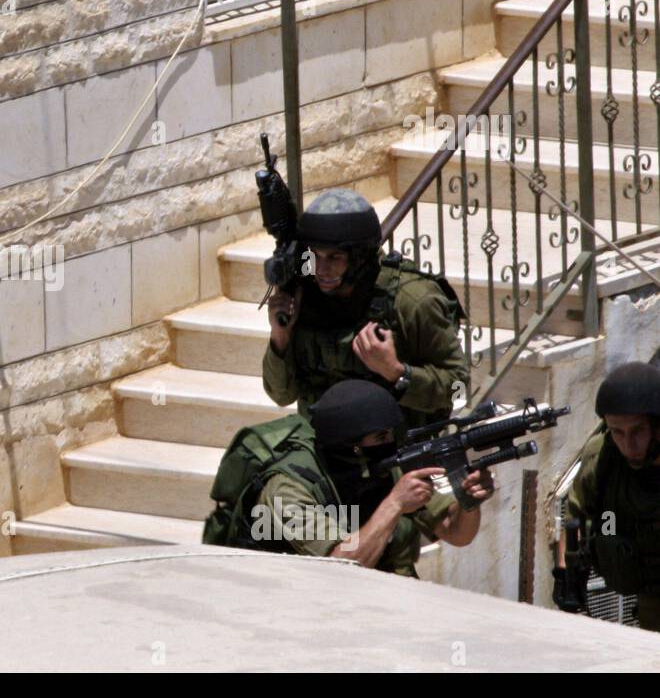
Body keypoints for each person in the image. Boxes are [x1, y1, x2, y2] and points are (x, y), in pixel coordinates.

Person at [203, 380, 494, 577]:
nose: (389, 442)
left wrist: (469, 500)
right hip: (293, 602)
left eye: (391, 434)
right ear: (349, 443)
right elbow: (340, 568)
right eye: (379, 436)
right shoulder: (286, 488)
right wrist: (394, 505)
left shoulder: (377, 466)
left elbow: (455, 532)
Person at [262, 188, 467, 430]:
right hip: (326, 449)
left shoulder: (412, 301)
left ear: (359, 258)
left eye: (335, 257)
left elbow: (459, 389)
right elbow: (281, 395)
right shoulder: (303, 298)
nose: (321, 269)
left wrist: (398, 373)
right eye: (315, 256)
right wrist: (280, 337)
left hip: (395, 454)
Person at [558, 362, 660, 631]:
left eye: (637, 431)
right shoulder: (602, 459)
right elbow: (574, 520)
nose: (628, 444)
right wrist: (566, 579)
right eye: (617, 432)